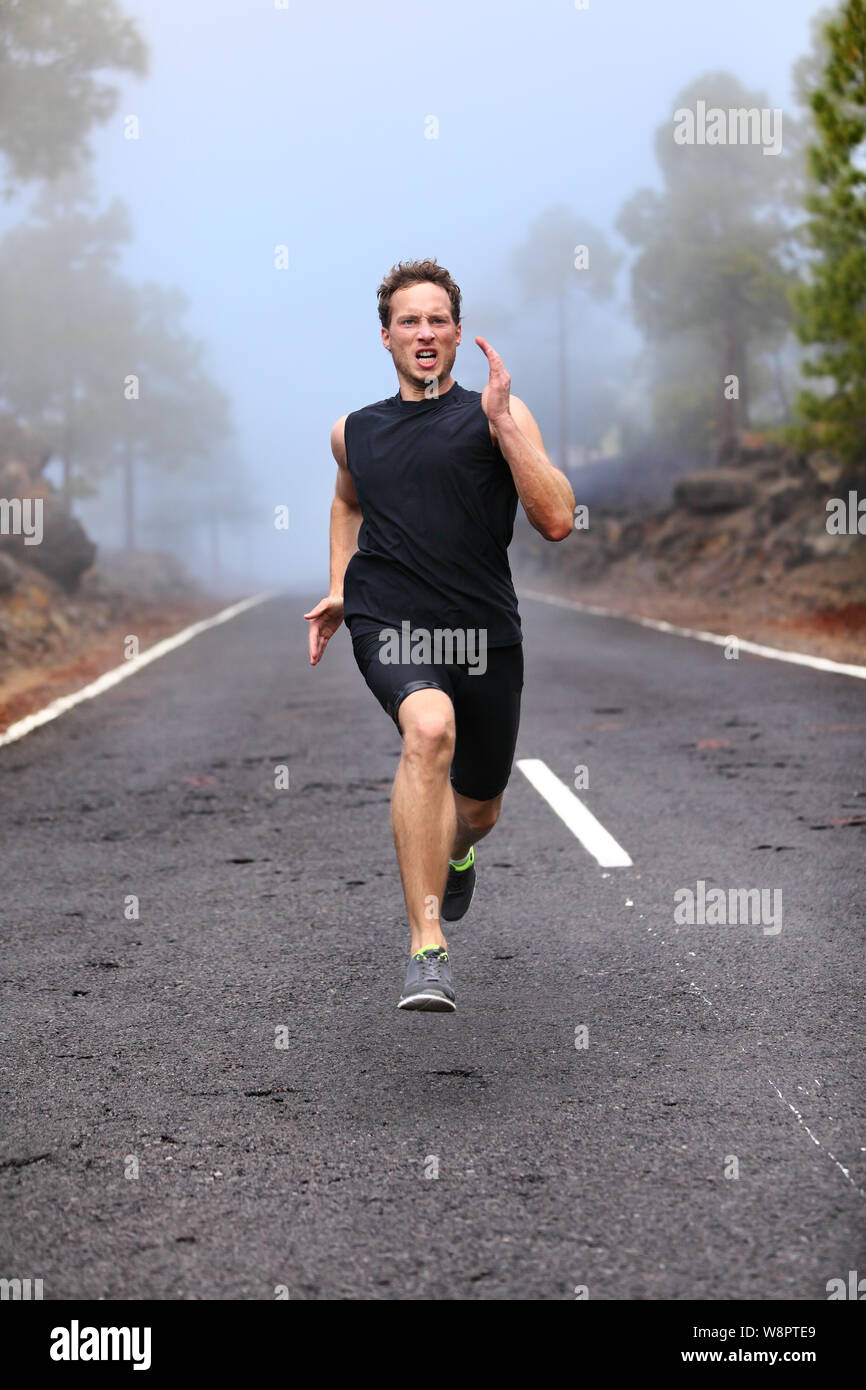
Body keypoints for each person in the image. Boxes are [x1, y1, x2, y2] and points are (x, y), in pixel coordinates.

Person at [305, 259, 574, 1012]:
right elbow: (347, 504)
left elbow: (556, 518)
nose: (424, 332)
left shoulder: (502, 417)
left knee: (480, 810)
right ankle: (428, 947)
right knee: (427, 729)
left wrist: (500, 424)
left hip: (485, 631)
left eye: (438, 320)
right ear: (385, 335)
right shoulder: (353, 431)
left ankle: (455, 851)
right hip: (389, 617)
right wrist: (338, 586)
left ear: (457, 334)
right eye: (409, 320)